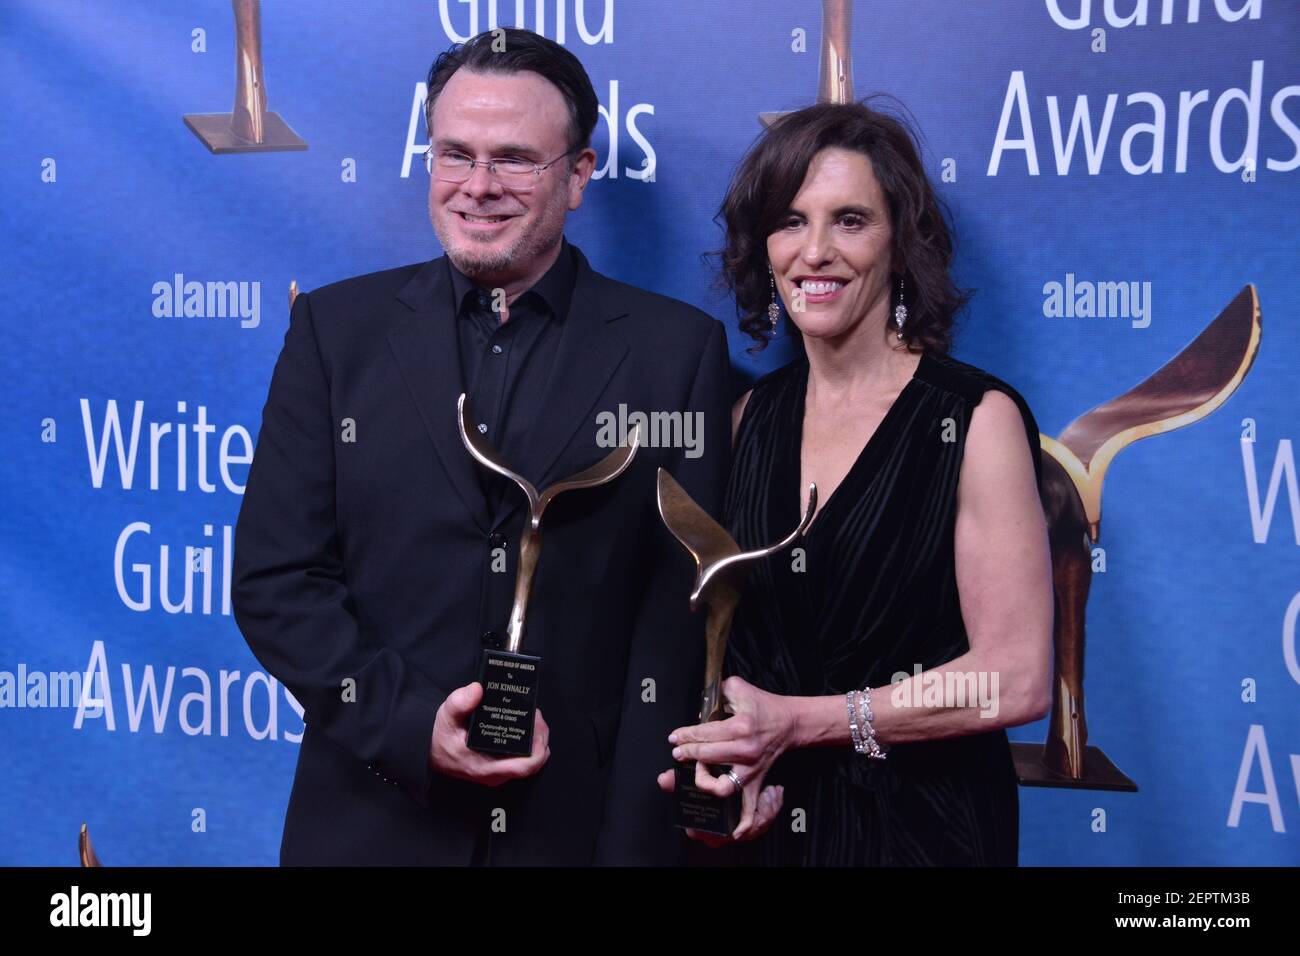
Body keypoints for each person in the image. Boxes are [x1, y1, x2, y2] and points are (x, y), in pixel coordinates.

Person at [232, 28, 730, 865]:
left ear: (577, 176)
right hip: (369, 821)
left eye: (515, 160)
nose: (478, 187)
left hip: (577, 831)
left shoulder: (675, 353)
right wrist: (407, 724)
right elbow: (277, 579)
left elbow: (676, 620)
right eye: (454, 154)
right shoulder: (334, 332)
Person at [658, 101, 1054, 866]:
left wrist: (807, 722)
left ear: (901, 244)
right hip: (771, 830)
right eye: (789, 222)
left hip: (925, 830)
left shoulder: (974, 418)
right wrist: (723, 768)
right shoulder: (748, 419)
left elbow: (1016, 679)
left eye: (849, 221)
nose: (814, 252)